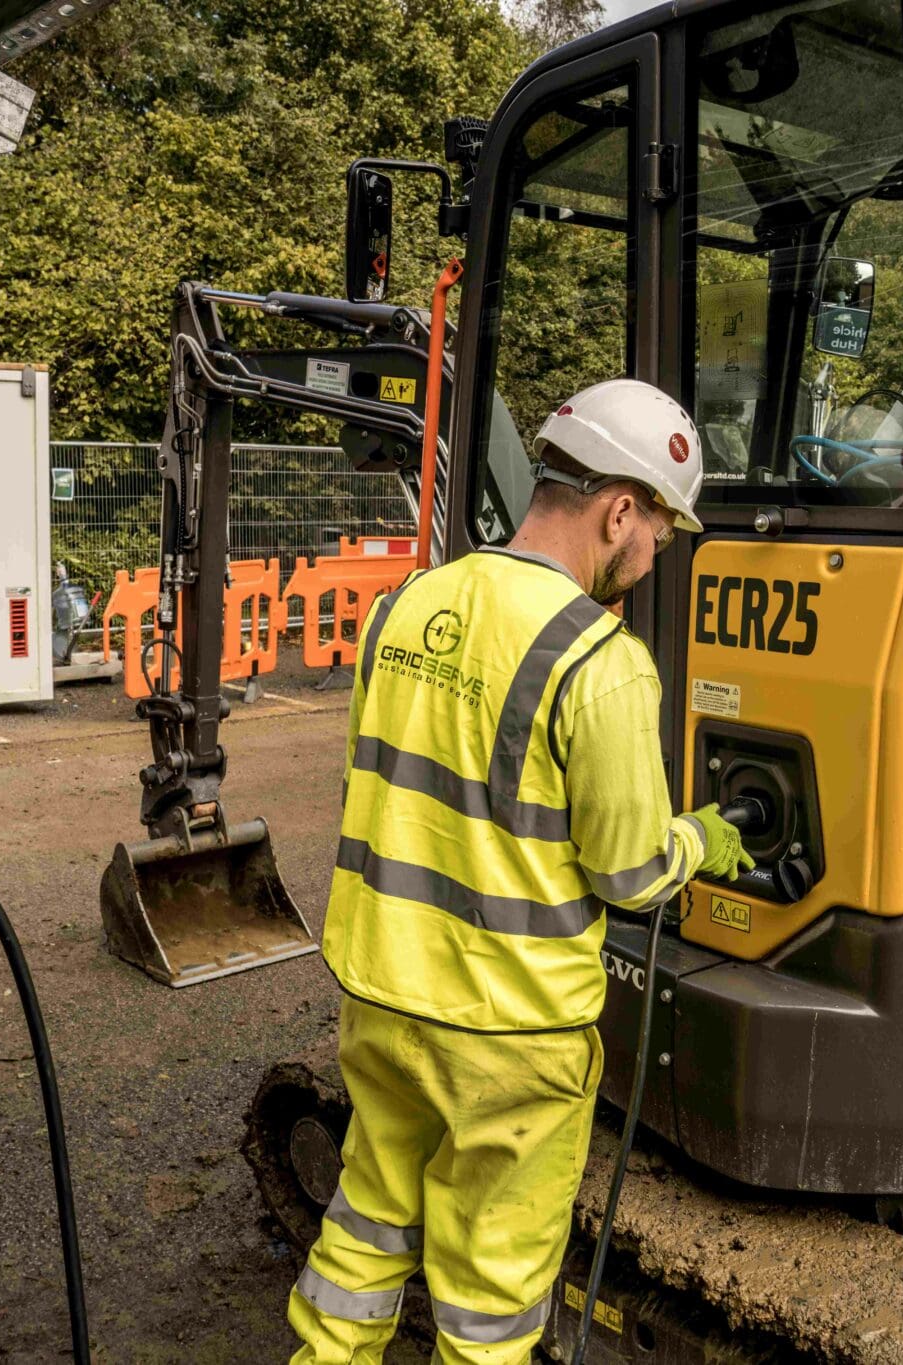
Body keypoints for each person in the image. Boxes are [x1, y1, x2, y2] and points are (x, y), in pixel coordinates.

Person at [287, 378, 753, 1365]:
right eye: (659, 532)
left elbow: (388, 791)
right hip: (510, 1032)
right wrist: (700, 840)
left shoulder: (406, 606)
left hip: (381, 997)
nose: (654, 555)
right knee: (488, 1304)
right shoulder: (599, 661)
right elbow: (631, 874)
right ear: (617, 510)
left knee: (364, 1233)